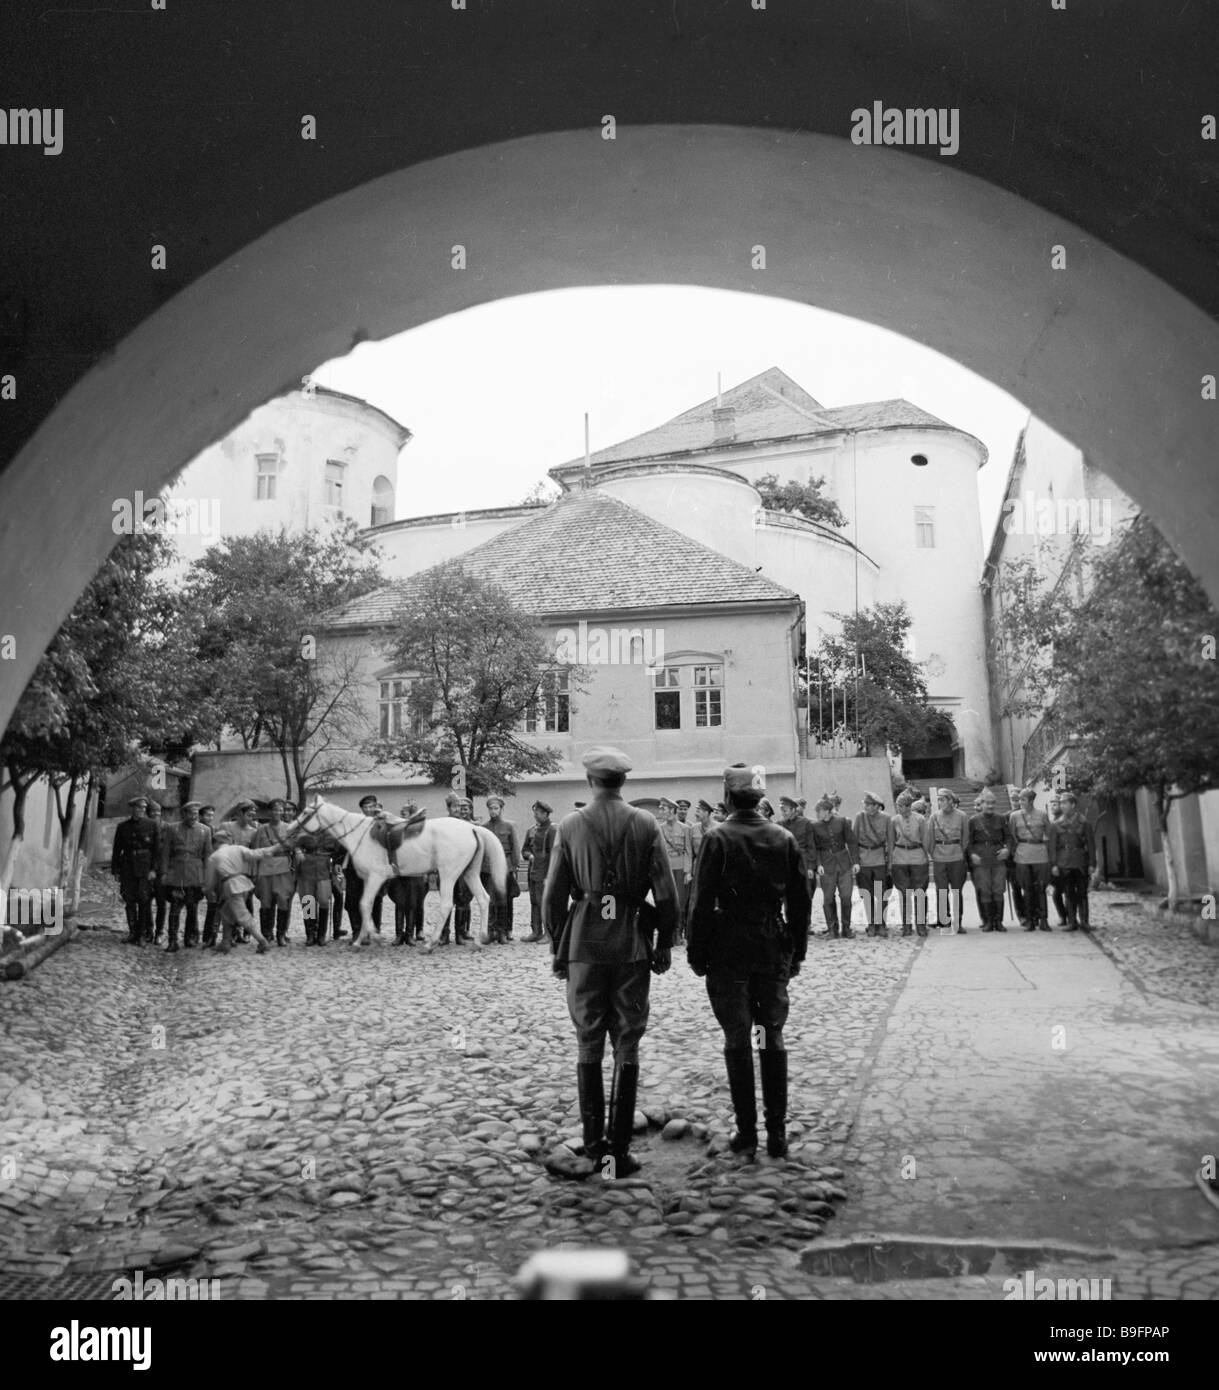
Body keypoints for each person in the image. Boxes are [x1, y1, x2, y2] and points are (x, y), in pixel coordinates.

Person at [543, 746, 677, 1179]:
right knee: (627, 1040)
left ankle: (594, 1144)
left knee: (588, 1039)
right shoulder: (645, 822)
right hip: (631, 940)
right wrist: (663, 944)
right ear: (622, 782)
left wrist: (557, 946)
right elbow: (668, 894)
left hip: (584, 941)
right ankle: (617, 1152)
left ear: (590, 782)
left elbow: (552, 895)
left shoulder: (570, 824)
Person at [687, 764, 811, 1159]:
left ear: (726, 797)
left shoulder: (717, 838)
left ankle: (747, 1133)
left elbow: (701, 901)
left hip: (729, 951)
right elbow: (800, 903)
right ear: (759, 799)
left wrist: (697, 950)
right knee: (770, 1035)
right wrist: (797, 951)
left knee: (737, 1038)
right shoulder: (783, 837)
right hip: (771, 946)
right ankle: (776, 1134)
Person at [205, 827, 299, 954]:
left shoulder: (214, 857)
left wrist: (208, 892)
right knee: (226, 913)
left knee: (242, 916)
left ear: (215, 843)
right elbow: (259, 853)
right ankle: (225, 942)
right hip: (243, 883)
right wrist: (278, 846)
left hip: (231, 885)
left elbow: (209, 882)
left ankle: (262, 941)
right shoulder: (237, 848)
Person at [160, 801, 212, 952]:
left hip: (195, 875)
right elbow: (165, 853)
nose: (193, 816)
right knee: (175, 908)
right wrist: (164, 873)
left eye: (196, 813)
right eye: (190, 813)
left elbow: (207, 856)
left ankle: (190, 938)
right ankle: (172, 940)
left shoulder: (205, 830)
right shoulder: (172, 828)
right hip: (177, 875)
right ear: (184, 814)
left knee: (192, 907)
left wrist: (207, 878)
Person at [111, 796, 158, 946]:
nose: (141, 810)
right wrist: (116, 870)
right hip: (128, 868)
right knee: (129, 901)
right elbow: (117, 849)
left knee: (144, 901)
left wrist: (153, 869)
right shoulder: (123, 827)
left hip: (144, 869)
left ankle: (142, 935)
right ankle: (132, 932)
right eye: (139, 808)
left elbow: (156, 849)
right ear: (132, 809)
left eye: (144, 808)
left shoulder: (151, 825)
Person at [810, 796, 859, 939]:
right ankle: (832, 929)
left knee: (846, 896)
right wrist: (818, 864)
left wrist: (855, 861)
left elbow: (852, 842)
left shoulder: (842, 822)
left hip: (844, 864)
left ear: (827, 811)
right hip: (826, 865)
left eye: (819, 811)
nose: (817, 814)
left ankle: (846, 928)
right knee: (827, 899)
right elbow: (815, 848)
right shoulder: (815, 826)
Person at [1047, 791, 1095, 931]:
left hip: (1080, 861)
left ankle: (1085, 921)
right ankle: (1072, 921)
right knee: (1068, 893)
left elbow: (1091, 844)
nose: (1062, 806)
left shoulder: (1084, 822)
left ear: (1073, 804)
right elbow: (1053, 847)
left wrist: (1092, 863)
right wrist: (1054, 864)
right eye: (1061, 803)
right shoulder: (1056, 824)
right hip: (1064, 861)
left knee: (1082, 892)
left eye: (1065, 803)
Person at [252, 798, 297, 946]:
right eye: (275, 810)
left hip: (283, 868)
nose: (278, 813)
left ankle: (281, 934)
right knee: (266, 902)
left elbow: (293, 847)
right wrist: (254, 874)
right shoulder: (261, 829)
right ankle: (267, 934)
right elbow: (256, 852)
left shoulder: (289, 828)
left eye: (281, 810)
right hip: (265, 869)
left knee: (283, 901)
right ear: (270, 812)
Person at [925, 789, 970, 933]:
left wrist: (959, 851)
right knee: (941, 890)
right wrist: (933, 854)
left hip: (956, 856)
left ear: (951, 800)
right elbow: (930, 838)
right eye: (938, 800)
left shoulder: (962, 816)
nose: (940, 802)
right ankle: (944, 920)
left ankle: (958, 922)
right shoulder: (934, 817)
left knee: (957, 891)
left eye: (943, 799)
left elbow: (965, 838)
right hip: (939, 856)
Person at [967, 787, 1010, 932]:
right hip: (981, 858)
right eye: (987, 803)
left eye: (993, 803)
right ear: (982, 803)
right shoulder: (973, 820)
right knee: (985, 890)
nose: (990, 806)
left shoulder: (1001, 819)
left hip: (998, 858)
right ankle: (988, 922)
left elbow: (1009, 838)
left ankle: (999, 922)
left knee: (998, 889)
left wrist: (1007, 850)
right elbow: (968, 841)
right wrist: (972, 854)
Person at [887, 790, 930, 936]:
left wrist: (926, 857)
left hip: (917, 857)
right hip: (900, 857)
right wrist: (891, 862)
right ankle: (906, 925)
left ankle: (921, 925)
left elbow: (924, 839)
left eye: (901, 805)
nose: (899, 808)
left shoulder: (920, 820)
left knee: (920, 892)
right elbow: (891, 842)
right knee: (904, 894)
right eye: (898, 805)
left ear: (908, 806)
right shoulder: (894, 821)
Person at [1009, 788, 1052, 932]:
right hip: (1022, 854)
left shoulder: (1042, 815)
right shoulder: (1014, 816)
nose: (1020, 802)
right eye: (1019, 799)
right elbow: (1012, 836)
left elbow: (1049, 834)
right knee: (1027, 888)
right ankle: (1030, 920)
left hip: (1040, 853)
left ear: (1031, 801)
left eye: (1023, 799)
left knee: (1040, 888)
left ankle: (1044, 919)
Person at [482, 796, 521, 942]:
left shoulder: (509, 826)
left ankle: (503, 932)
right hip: (488, 866)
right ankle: (491, 931)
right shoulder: (484, 827)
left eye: (496, 808)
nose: (493, 811)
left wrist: (514, 867)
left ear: (501, 809)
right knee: (490, 900)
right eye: (491, 809)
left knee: (503, 901)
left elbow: (515, 848)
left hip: (505, 866)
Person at [852, 792, 892, 937]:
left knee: (881, 894)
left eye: (869, 805)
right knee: (866, 894)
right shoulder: (859, 817)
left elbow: (890, 841)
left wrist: (890, 862)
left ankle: (881, 923)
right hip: (863, 861)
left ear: (877, 806)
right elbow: (854, 841)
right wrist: (855, 861)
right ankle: (871, 924)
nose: (866, 807)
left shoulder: (886, 818)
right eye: (865, 804)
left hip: (879, 860)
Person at [294, 817, 337, 946]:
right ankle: (310, 934)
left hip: (324, 870)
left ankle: (321, 934)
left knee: (324, 901)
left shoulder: (331, 834)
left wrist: (335, 863)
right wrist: (298, 851)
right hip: (307, 869)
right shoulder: (303, 833)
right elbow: (293, 843)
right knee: (308, 902)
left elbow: (338, 851)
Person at [657, 796, 693, 944]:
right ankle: (668, 933)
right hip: (666, 869)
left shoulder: (685, 828)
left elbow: (688, 851)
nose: (661, 811)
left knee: (681, 902)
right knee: (666, 902)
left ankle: (678, 933)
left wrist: (688, 872)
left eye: (663, 808)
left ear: (672, 810)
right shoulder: (660, 828)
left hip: (680, 869)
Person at [521, 800, 556, 942]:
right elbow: (525, 849)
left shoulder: (552, 830)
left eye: (538, 813)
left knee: (545, 903)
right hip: (533, 872)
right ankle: (536, 931)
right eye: (534, 812)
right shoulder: (532, 830)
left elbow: (555, 854)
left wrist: (551, 875)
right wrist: (529, 855)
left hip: (545, 873)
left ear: (545, 814)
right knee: (534, 902)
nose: (535, 816)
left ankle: (548, 934)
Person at [145, 799, 170, 944]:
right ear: (148, 813)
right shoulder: (145, 826)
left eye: (158, 811)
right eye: (153, 811)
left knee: (161, 902)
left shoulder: (167, 828)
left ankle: (159, 932)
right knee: (146, 901)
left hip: (161, 871)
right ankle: (148, 930)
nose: (156, 814)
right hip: (147, 870)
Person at [1046, 794, 1069, 927]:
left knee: (1069, 891)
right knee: (1057, 891)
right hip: (1055, 861)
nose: (1053, 806)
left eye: (1055, 803)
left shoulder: (1063, 821)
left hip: (1066, 860)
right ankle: (1063, 916)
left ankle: (1069, 916)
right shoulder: (1051, 821)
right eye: (1051, 804)